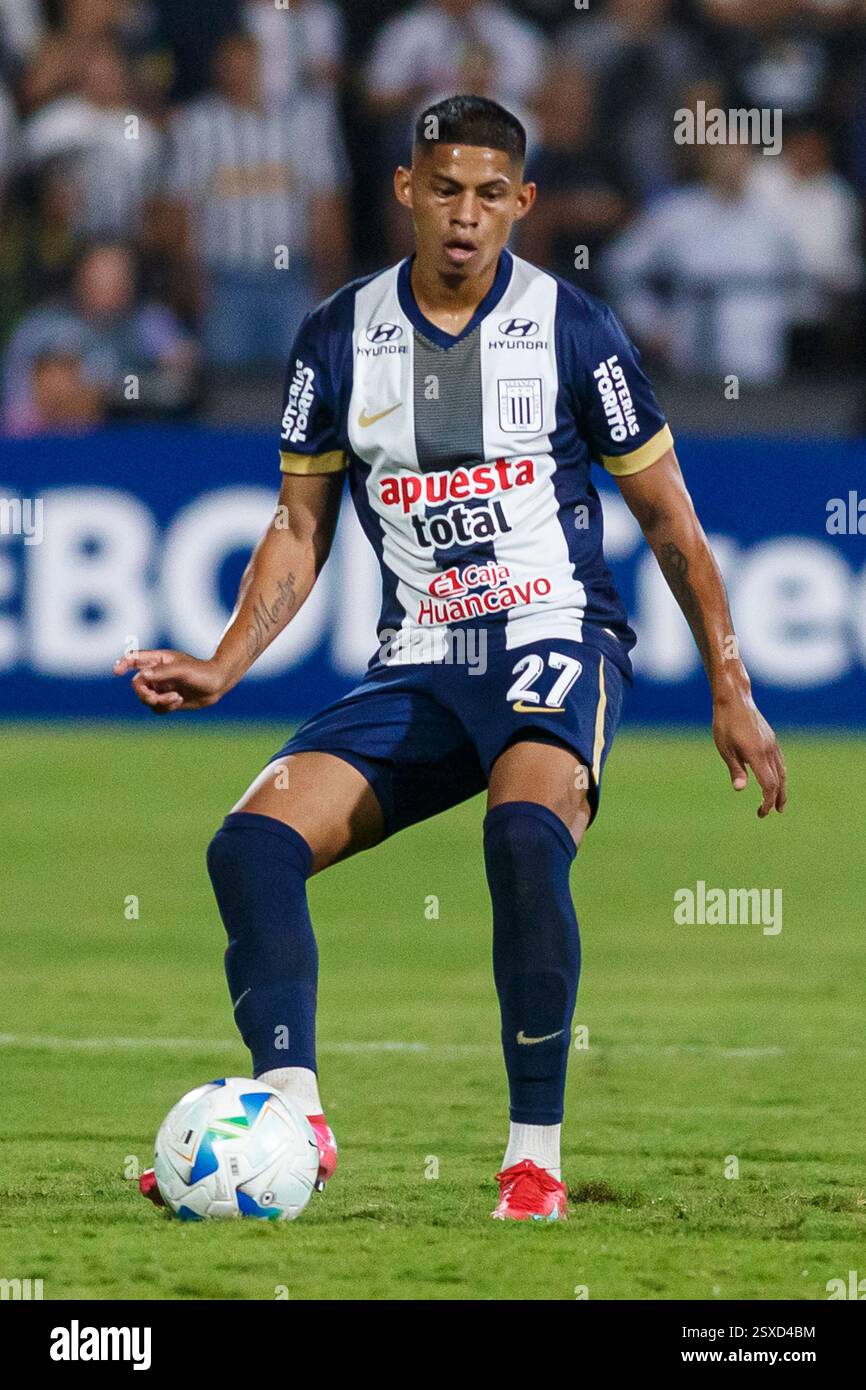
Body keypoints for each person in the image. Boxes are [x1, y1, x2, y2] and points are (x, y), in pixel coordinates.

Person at [116, 95, 787, 1222]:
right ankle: (294, 1113)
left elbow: (670, 520)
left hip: (555, 634)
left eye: (488, 195)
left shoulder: (574, 329)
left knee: (522, 836)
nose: (464, 216)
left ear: (521, 203)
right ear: (404, 192)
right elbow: (298, 524)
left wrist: (731, 682)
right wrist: (225, 664)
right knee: (248, 848)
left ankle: (531, 1158)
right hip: (421, 656)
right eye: (443, 190)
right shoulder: (336, 337)